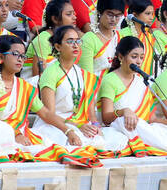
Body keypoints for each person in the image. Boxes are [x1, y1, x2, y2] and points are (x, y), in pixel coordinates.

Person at [33, 26, 122, 155]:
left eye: (77, 41)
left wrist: (96, 125)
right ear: (58, 47)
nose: (75, 45)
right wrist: (75, 127)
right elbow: (49, 114)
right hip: (55, 125)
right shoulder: (50, 73)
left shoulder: (82, 74)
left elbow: (91, 112)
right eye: (70, 41)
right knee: (75, 145)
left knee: (109, 139)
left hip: (79, 123)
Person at [99, 36, 167, 154]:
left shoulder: (142, 82)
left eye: (141, 57)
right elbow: (106, 118)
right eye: (134, 57)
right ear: (121, 57)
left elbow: (151, 119)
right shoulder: (110, 80)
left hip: (142, 128)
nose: (138, 61)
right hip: (119, 129)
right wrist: (124, 111)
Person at [80, 0, 126, 74]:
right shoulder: (88, 39)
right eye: (110, 14)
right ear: (100, 12)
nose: (114, 19)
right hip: (94, 85)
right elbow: (86, 76)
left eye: (118, 15)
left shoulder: (121, 38)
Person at [27, 0, 76, 76]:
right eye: (69, 14)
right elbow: (38, 76)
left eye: (74, 13)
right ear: (55, 19)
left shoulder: (67, 38)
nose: (74, 17)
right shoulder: (43, 40)